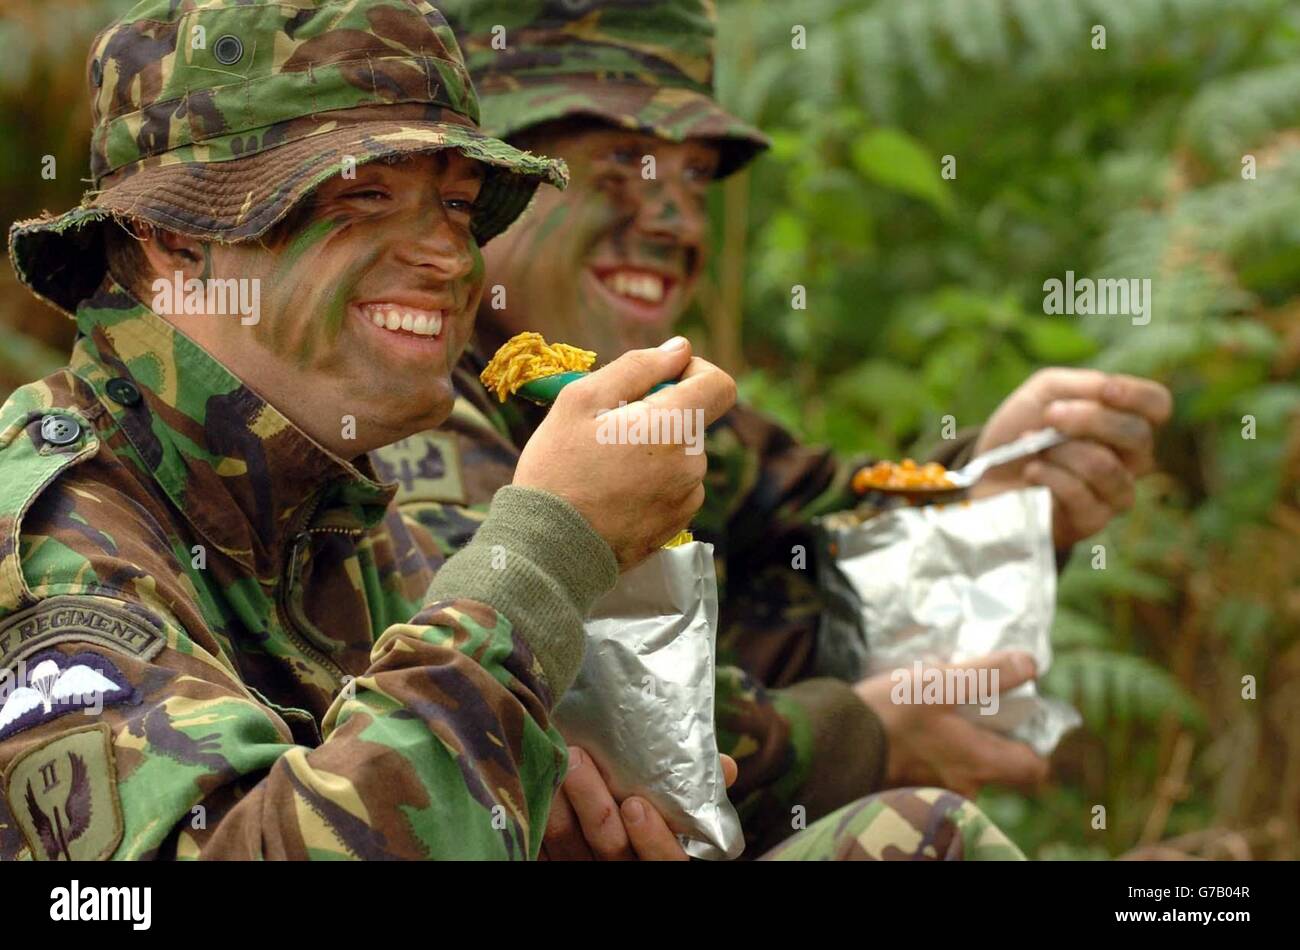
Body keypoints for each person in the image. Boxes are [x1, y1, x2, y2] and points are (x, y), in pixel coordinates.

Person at [373, 0, 1173, 858]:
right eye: (617, 172)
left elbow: (819, 534)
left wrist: (1001, 481)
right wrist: (864, 735)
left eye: (692, 181)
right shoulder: (412, 398)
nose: (674, 222)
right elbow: (540, 695)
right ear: (488, 191)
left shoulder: (634, 401)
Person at [0, 0, 737, 860]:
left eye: (459, 206)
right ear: (173, 232)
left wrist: (515, 812)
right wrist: (546, 549)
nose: (450, 258)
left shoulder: (339, 517)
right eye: (364, 195)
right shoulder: (51, 542)